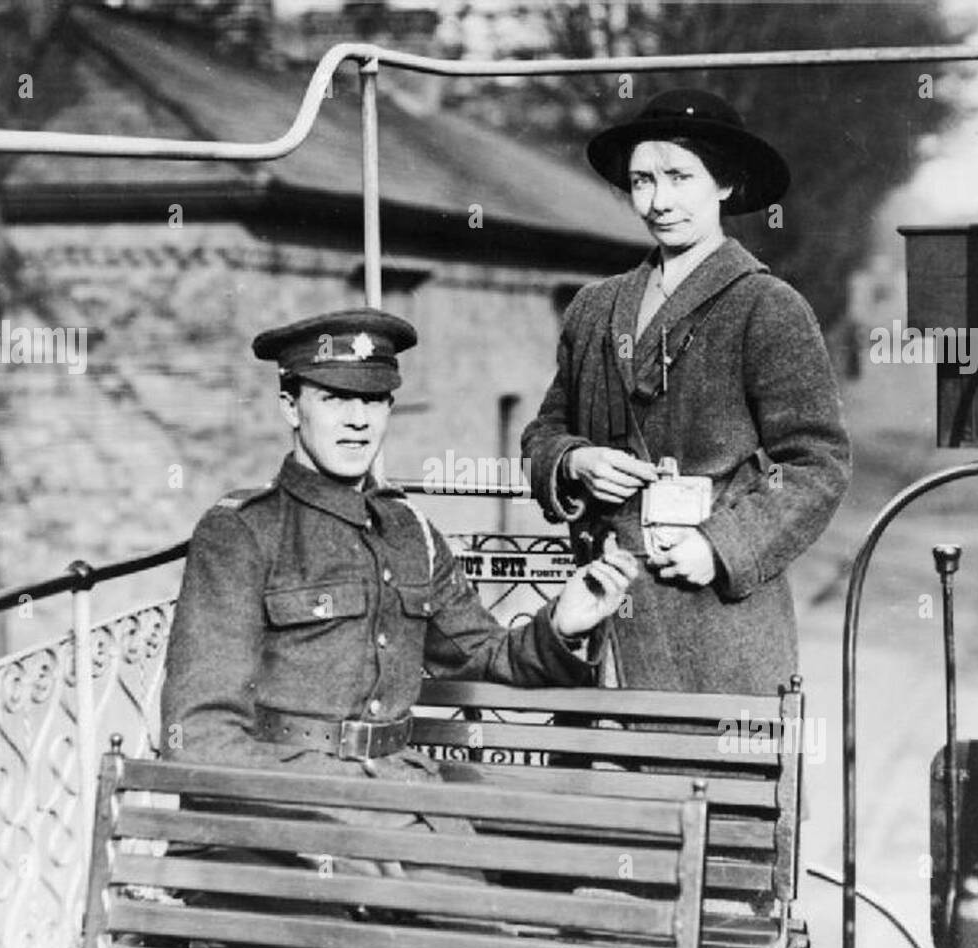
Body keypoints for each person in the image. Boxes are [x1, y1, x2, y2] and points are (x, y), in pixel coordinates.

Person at [160, 307, 639, 786]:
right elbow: (200, 734)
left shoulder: (411, 531)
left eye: (373, 401)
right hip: (286, 817)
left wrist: (562, 622)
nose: (357, 421)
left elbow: (484, 655)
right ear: (290, 405)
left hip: (400, 790)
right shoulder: (242, 533)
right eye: (334, 399)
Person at [522, 89, 851, 695]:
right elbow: (544, 430)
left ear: (724, 185)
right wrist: (575, 460)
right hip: (600, 609)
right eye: (643, 181)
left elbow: (815, 464)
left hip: (714, 627)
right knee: (605, 781)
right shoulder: (594, 308)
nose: (659, 201)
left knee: (713, 787)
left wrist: (722, 546)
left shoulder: (768, 308)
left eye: (680, 177)